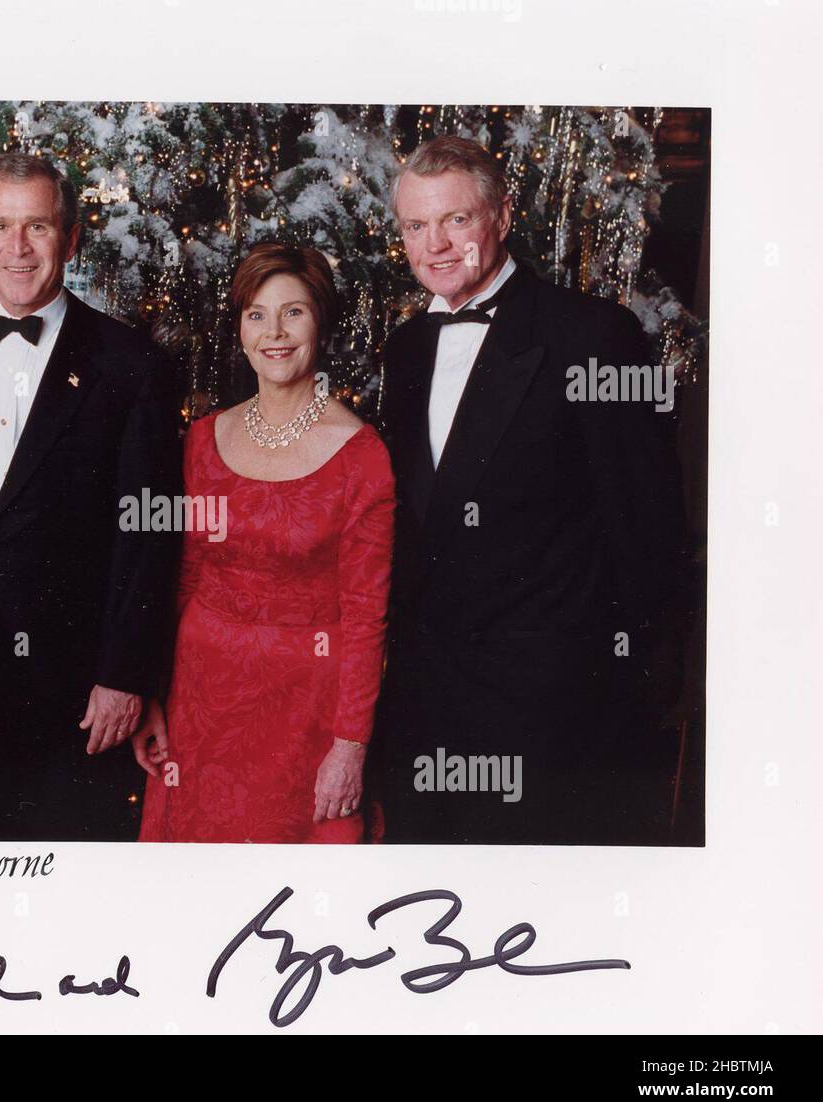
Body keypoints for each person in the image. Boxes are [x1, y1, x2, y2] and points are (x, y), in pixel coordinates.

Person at [374, 136, 688, 845]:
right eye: (416, 227)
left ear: (503, 216)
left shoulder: (593, 335)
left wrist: (624, 680)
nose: (437, 245)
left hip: (546, 713)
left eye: (457, 220)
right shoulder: (406, 348)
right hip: (426, 706)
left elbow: (645, 529)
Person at [0, 154, 181, 842]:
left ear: (72, 237)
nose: (17, 248)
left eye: (38, 227)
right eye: (0, 226)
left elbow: (150, 534)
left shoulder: (130, 364)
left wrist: (124, 676)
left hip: (76, 697)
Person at [136, 243, 396, 844]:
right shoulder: (202, 439)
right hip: (197, 707)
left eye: (293, 313)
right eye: (256, 314)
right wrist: (154, 694)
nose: (273, 333)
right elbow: (185, 578)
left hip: (304, 714)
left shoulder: (362, 457)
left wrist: (349, 748)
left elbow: (364, 617)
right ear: (239, 328)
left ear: (321, 323)